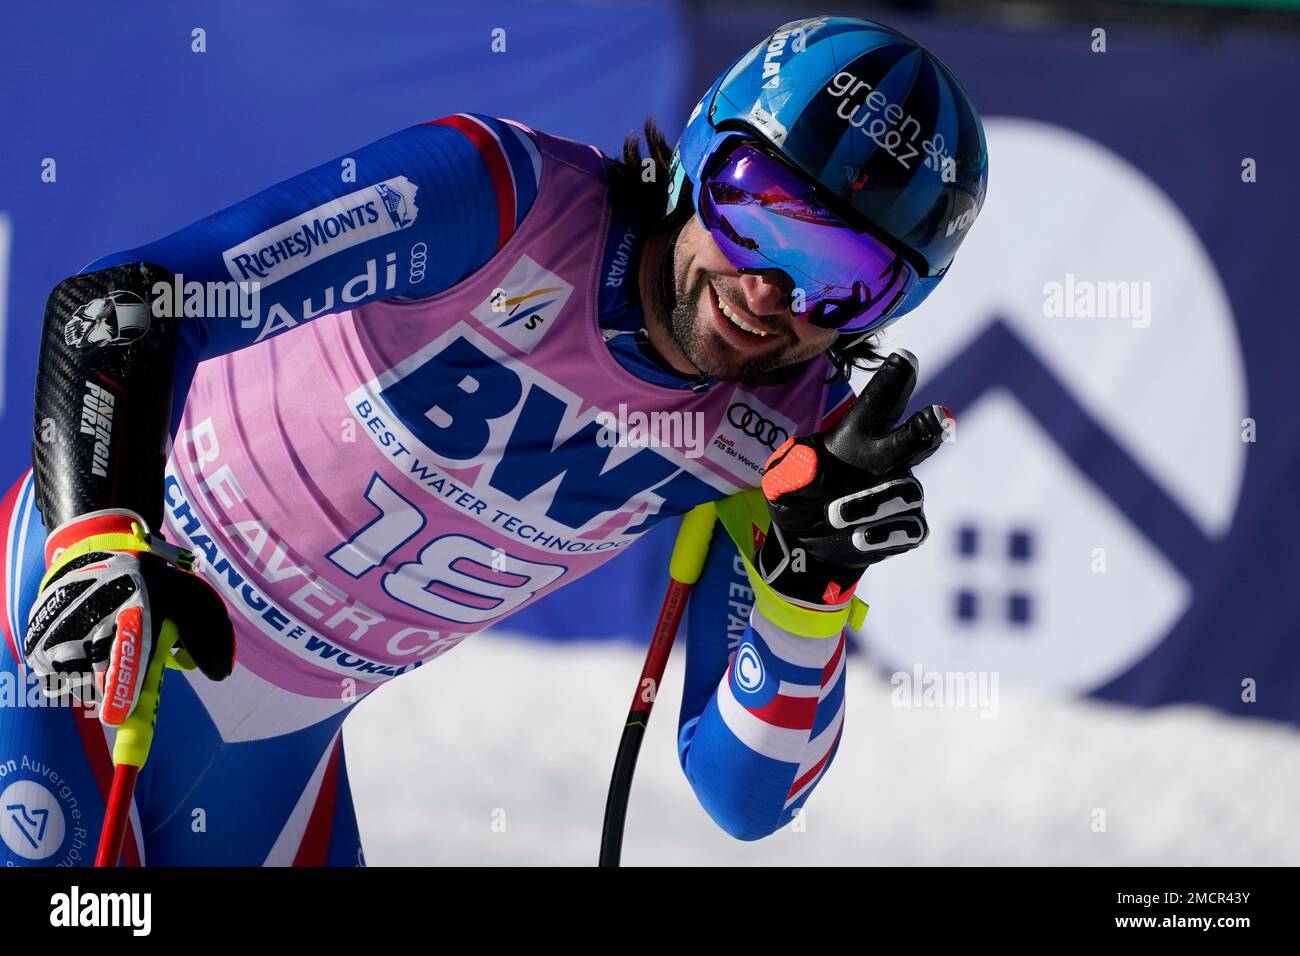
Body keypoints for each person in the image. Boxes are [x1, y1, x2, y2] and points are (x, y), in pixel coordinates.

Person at [0, 15, 987, 865]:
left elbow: (745, 799)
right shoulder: (498, 200)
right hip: (67, 642)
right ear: (697, 151)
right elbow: (123, 308)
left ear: (897, 302)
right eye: (753, 210)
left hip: (278, 756)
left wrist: (808, 596)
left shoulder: (787, 447)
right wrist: (99, 541)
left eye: (841, 271)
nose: (768, 289)